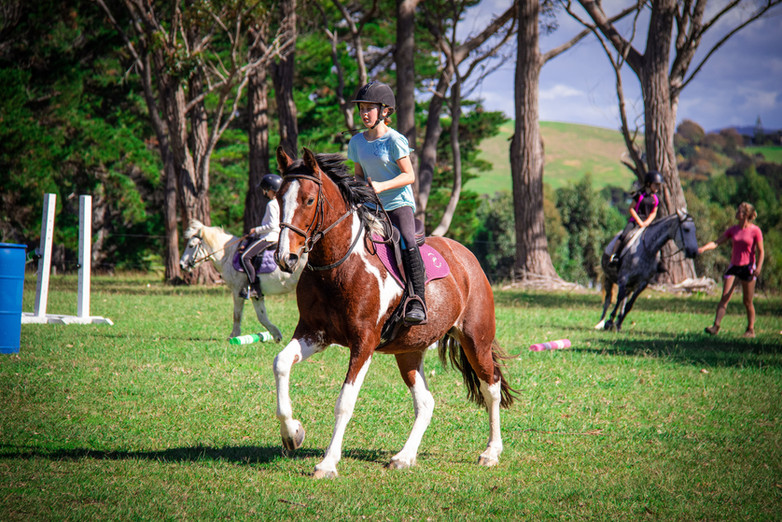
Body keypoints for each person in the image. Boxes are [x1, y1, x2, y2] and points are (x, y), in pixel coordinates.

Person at [347, 80, 427, 325]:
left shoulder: (395, 140)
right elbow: (358, 175)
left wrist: (381, 186)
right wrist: (356, 189)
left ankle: (418, 301)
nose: (363, 114)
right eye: (361, 109)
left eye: (368, 109)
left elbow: (409, 176)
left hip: (397, 204)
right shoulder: (356, 142)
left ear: (384, 111)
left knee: (407, 238)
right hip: (370, 206)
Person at [698, 202, 764, 338]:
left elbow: (761, 251)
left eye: (739, 211)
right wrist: (703, 248)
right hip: (734, 266)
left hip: (748, 268)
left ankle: (750, 329)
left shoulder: (755, 231)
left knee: (747, 301)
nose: (736, 212)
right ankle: (715, 327)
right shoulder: (733, 229)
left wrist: (759, 267)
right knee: (724, 297)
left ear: (745, 215)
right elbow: (717, 242)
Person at [239, 173, 282, 300]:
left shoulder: (272, 204)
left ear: (269, 190)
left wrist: (256, 230)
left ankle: (254, 288)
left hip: (271, 236)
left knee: (245, 257)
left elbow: (272, 225)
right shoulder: (282, 202)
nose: (264, 192)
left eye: (265, 189)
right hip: (276, 235)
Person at [609, 170, 663, 267]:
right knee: (624, 235)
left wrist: (646, 223)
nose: (658, 187)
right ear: (649, 184)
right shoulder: (639, 195)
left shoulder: (656, 198)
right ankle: (615, 255)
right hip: (635, 222)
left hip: (647, 223)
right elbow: (631, 208)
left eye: (659, 185)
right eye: (656, 185)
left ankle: (659, 261)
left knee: (659, 238)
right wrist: (639, 221)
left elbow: (654, 213)